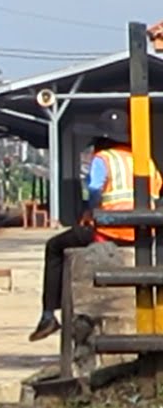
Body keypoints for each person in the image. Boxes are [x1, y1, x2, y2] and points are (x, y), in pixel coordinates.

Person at [30, 109, 163, 341]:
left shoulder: (103, 159)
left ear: (103, 138)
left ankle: (48, 315)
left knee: (54, 246)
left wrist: (90, 212)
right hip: (143, 235)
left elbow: (94, 191)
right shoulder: (146, 161)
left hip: (110, 231)